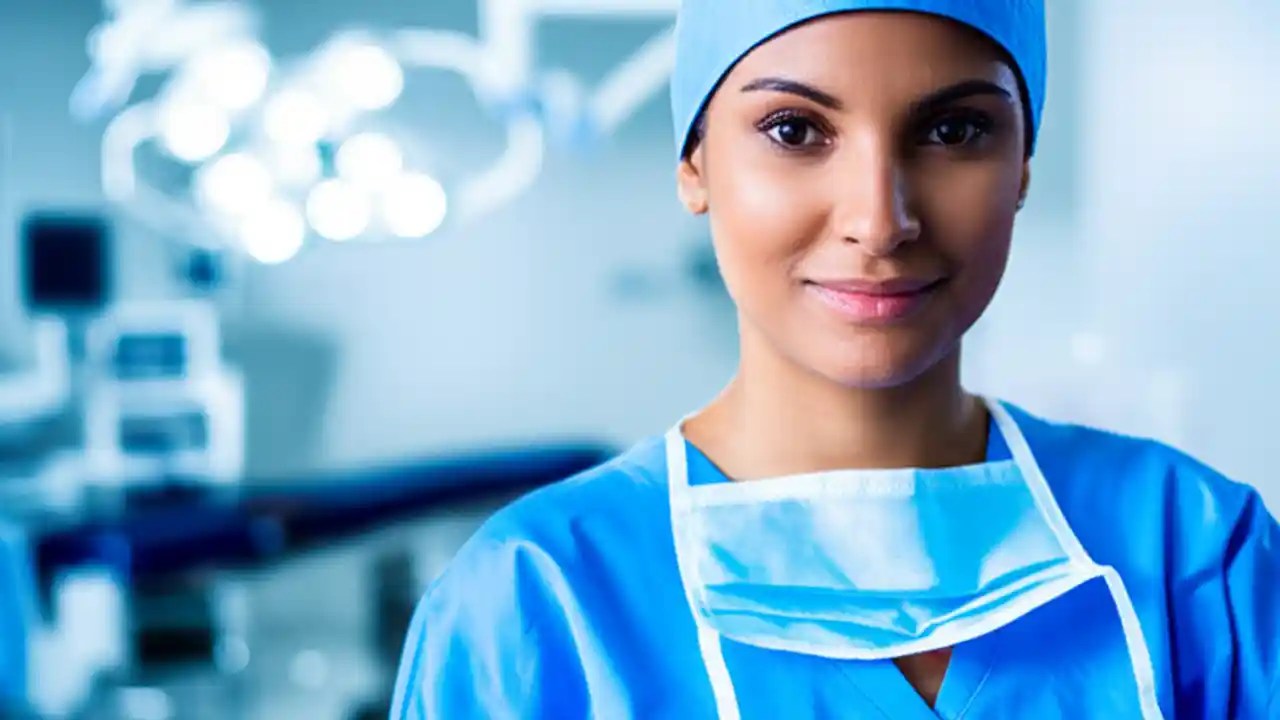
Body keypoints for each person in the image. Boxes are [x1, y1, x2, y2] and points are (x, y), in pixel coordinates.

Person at [389, 1, 1280, 718]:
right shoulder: (534, 608)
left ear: (1023, 164)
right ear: (695, 164)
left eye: (956, 131)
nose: (880, 218)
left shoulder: (1196, 551)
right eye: (793, 129)